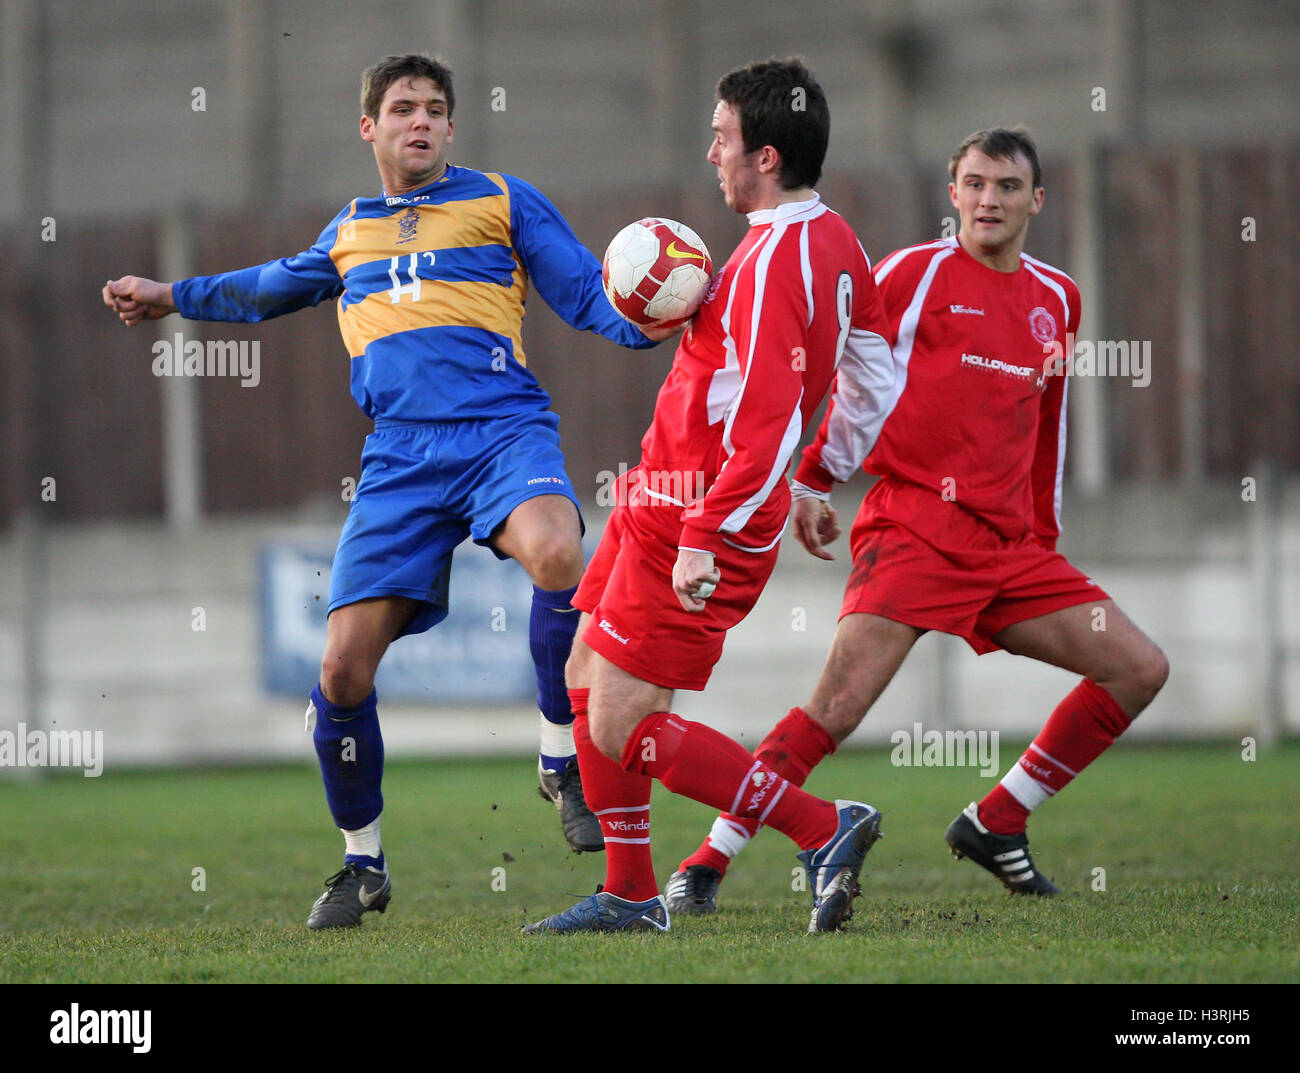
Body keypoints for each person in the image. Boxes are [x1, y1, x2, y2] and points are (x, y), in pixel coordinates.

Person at [102, 53, 664, 928]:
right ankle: (361, 861)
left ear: (451, 126)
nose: (422, 122)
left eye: (436, 109)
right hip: (401, 460)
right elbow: (263, 290)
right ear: (369, 126)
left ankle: (558, 759)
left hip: (503, 431)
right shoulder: (348, 232)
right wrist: (173, 295)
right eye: (403, 108)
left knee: (558, 550)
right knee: (339, 666)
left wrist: (654, 320)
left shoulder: (504, 201)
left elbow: (588, 292)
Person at [665, 127, 1171, 914]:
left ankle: (997, 820)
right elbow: (843, 369)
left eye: (1006, 186)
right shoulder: (910, 274)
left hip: (1008, 547)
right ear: (953, 194)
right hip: (913, 526)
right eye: (973, 184)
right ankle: (707, 862)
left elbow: (1049, 417)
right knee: (835, 708)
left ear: (1036, 199)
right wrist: (812, 477)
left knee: (1139, 667)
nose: (988, 200)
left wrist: (1042, 530)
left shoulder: (1058, 297)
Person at [522, 57, 897, 936]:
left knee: (623, 726)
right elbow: (875, 377)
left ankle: (822, 825)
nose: (711, 154)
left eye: (722, 138)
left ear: (765, 155)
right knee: (585, 678)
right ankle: (629, 892)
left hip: (697, 522)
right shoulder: (834, 239)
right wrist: (814, 476)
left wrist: (709, 530)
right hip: (660, 500)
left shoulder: (772, 266)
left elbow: (764, 421)